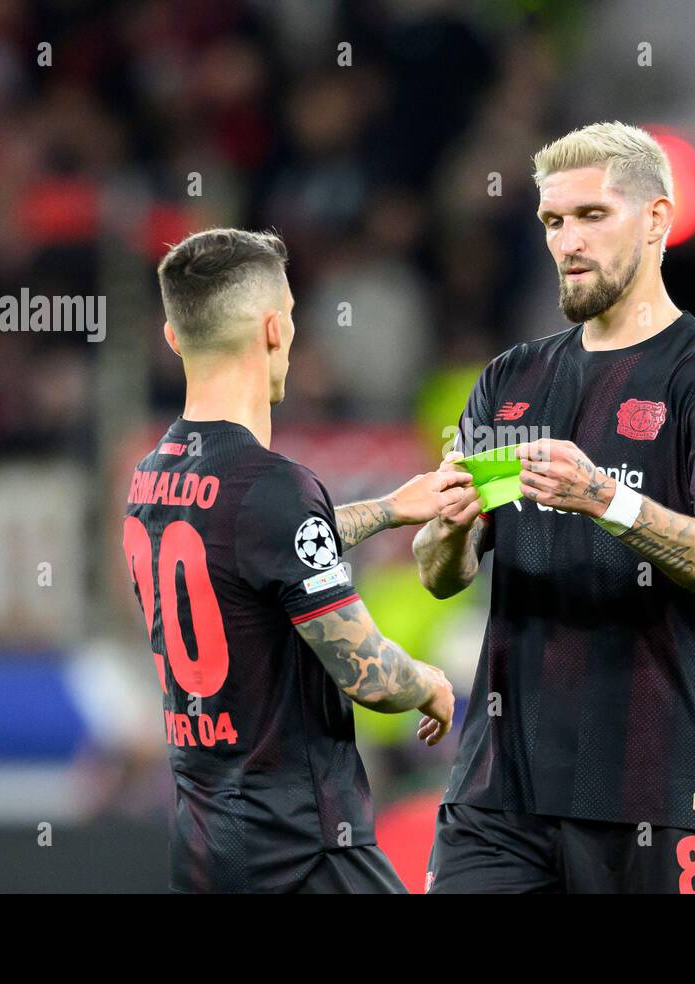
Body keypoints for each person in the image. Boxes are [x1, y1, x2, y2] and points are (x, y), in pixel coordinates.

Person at [412, 121, 695, 894]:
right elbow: (442, 576)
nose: (567, 241)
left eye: (591, 216)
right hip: (499, 791)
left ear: (655, 219)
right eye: (552, 221)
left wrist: (607, 499)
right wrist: (448, 527)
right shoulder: (509, 380)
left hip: (651, 786)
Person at [122, 228, 465, 893]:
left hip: (203, 842)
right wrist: (429, 684)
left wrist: (391, 508)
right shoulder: (274, 486)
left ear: (173, 336)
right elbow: (367, 674)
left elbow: (247, 559)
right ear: (275, 330)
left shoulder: (149, 479)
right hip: (302, 847)